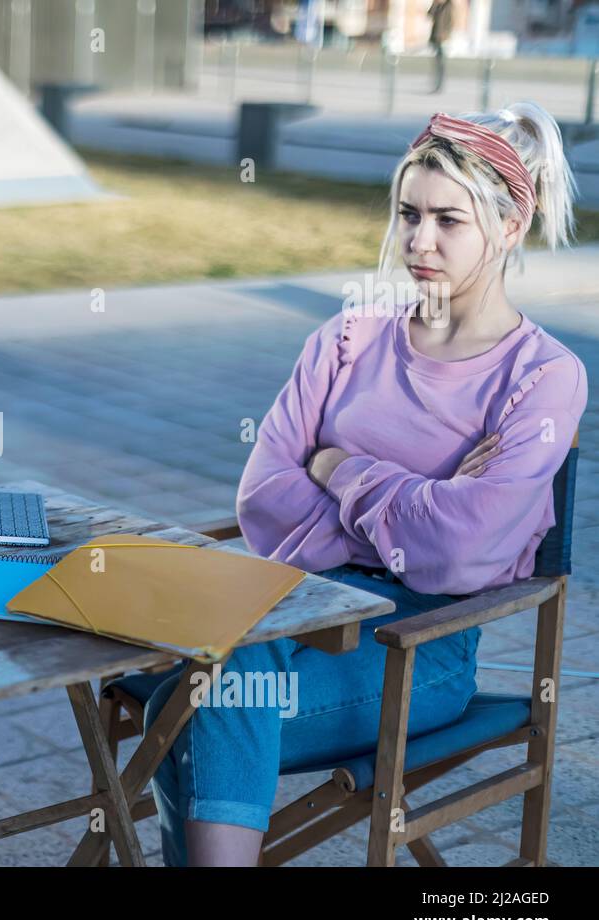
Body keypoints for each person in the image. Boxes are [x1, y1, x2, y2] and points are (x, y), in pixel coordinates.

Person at [144, 102, 587, 866]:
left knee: (190, 702)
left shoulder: (542, 375)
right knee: (204, 685)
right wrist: (419, 502)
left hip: (418, 646)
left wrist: (337, 467)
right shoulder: (348, 338)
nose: (419, 241)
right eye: (408, 213)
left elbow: (462, 553)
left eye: (450, 220)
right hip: (290, 610)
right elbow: (261, 500)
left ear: (511, 226)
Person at [429, 0, 454, 94]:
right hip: (435, 39)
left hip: (443, 40)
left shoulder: (449, 6)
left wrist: (446, 36)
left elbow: (451, 22)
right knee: (437, 63)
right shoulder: (437, 6)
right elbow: (429, 15)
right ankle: (436, 84)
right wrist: (434, 4)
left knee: (442, 64)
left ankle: (440, 85)